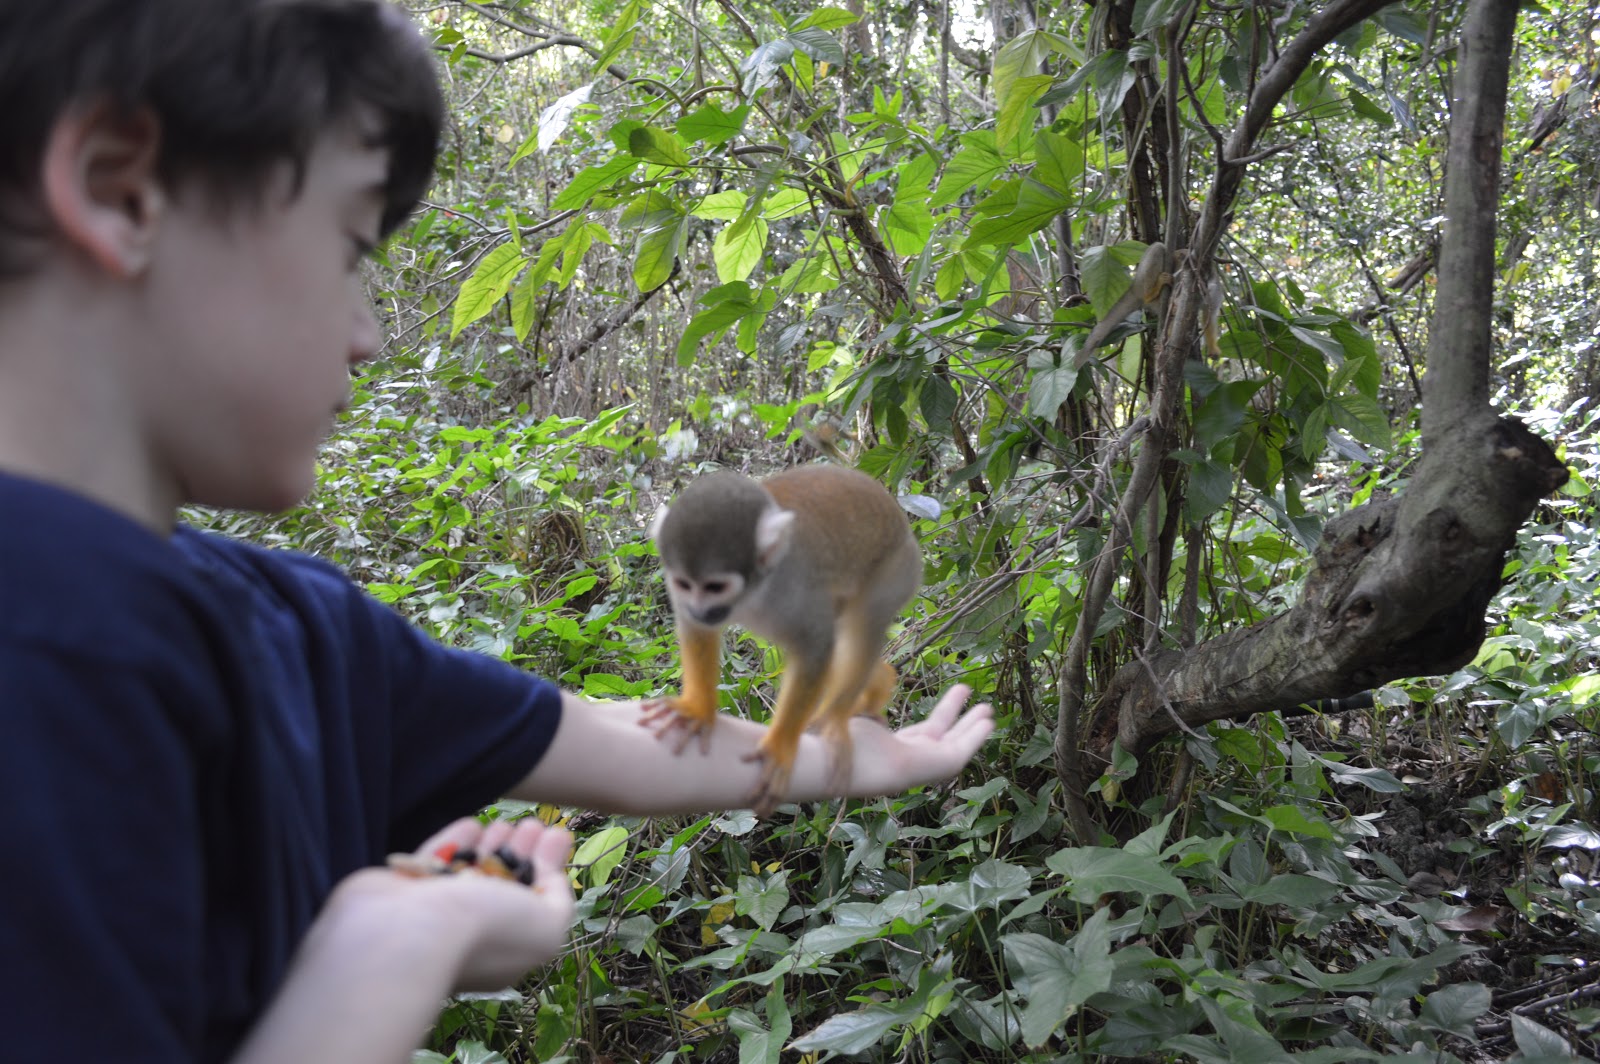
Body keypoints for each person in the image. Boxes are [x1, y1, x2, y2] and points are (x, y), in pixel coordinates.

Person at [0, 1, 995, 1062]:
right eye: (348, 249)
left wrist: (863, 756)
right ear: (120, 188)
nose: (369, 335)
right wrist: (393, 944)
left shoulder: (294, 622)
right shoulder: (52, 649)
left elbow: (627, 740)